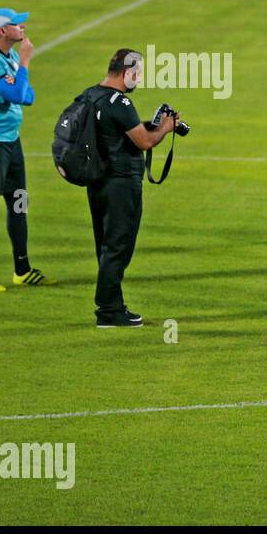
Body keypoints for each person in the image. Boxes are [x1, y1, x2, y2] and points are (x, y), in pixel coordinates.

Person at [82, 49, 178, 326]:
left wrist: (150, 125)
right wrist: (166, 128)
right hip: (120, 184)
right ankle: (107, 312)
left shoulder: (91, 95)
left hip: (97, 182)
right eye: (138, 73)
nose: (140, 79)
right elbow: (145, 142)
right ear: (127, 73)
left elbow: (116, 132)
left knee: (106, 246)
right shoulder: (119, 102)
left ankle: (114, 305)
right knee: (118, 247)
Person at [0, 7, 52, 293]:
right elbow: (19, 93)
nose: (23, 26)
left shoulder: (10, 56)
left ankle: (22, 269)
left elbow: (26, 96)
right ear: (2, 31)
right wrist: (26, 64)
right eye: (17, 23)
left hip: (9, 139)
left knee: (19, 201)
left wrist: (20, 77)